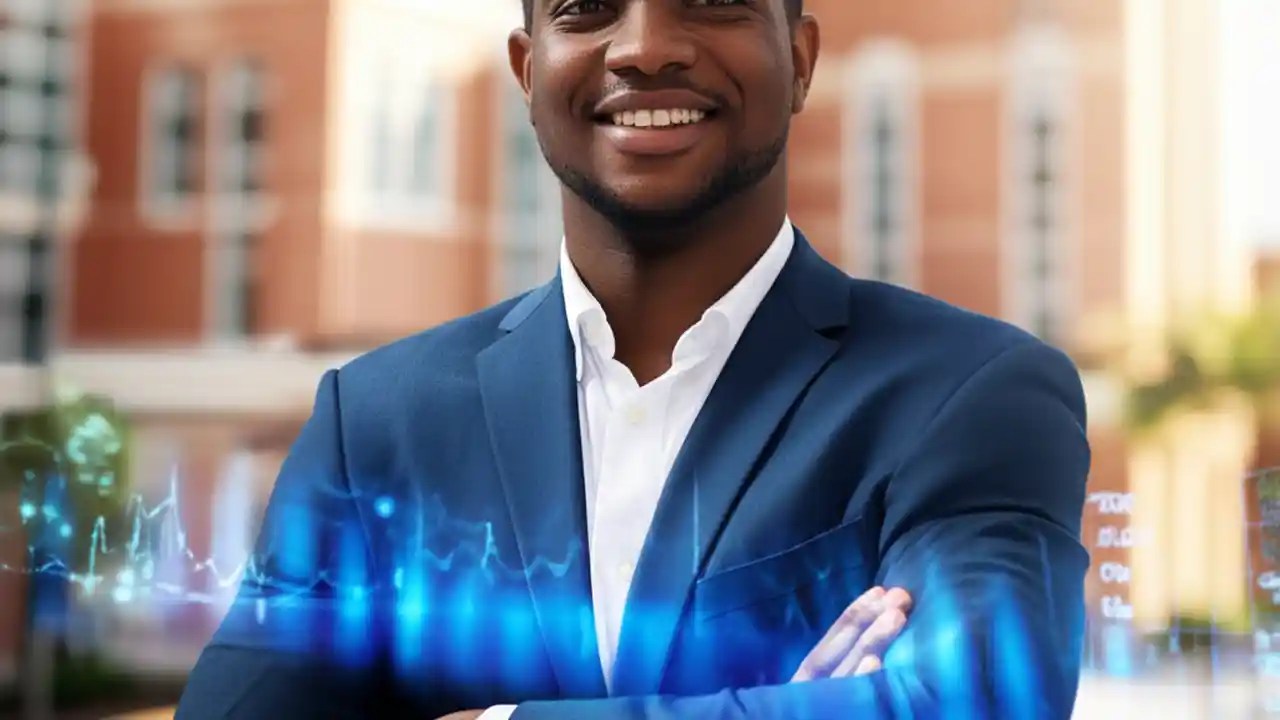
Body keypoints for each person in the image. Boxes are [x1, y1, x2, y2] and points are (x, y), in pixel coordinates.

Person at [176, 0, 1090, 717]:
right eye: (587, 7)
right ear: (528, 72)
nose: (646, 46)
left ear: (801, 59)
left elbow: (976, 699)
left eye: (715, 0)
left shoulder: (970, 395)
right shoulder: (376, 420)